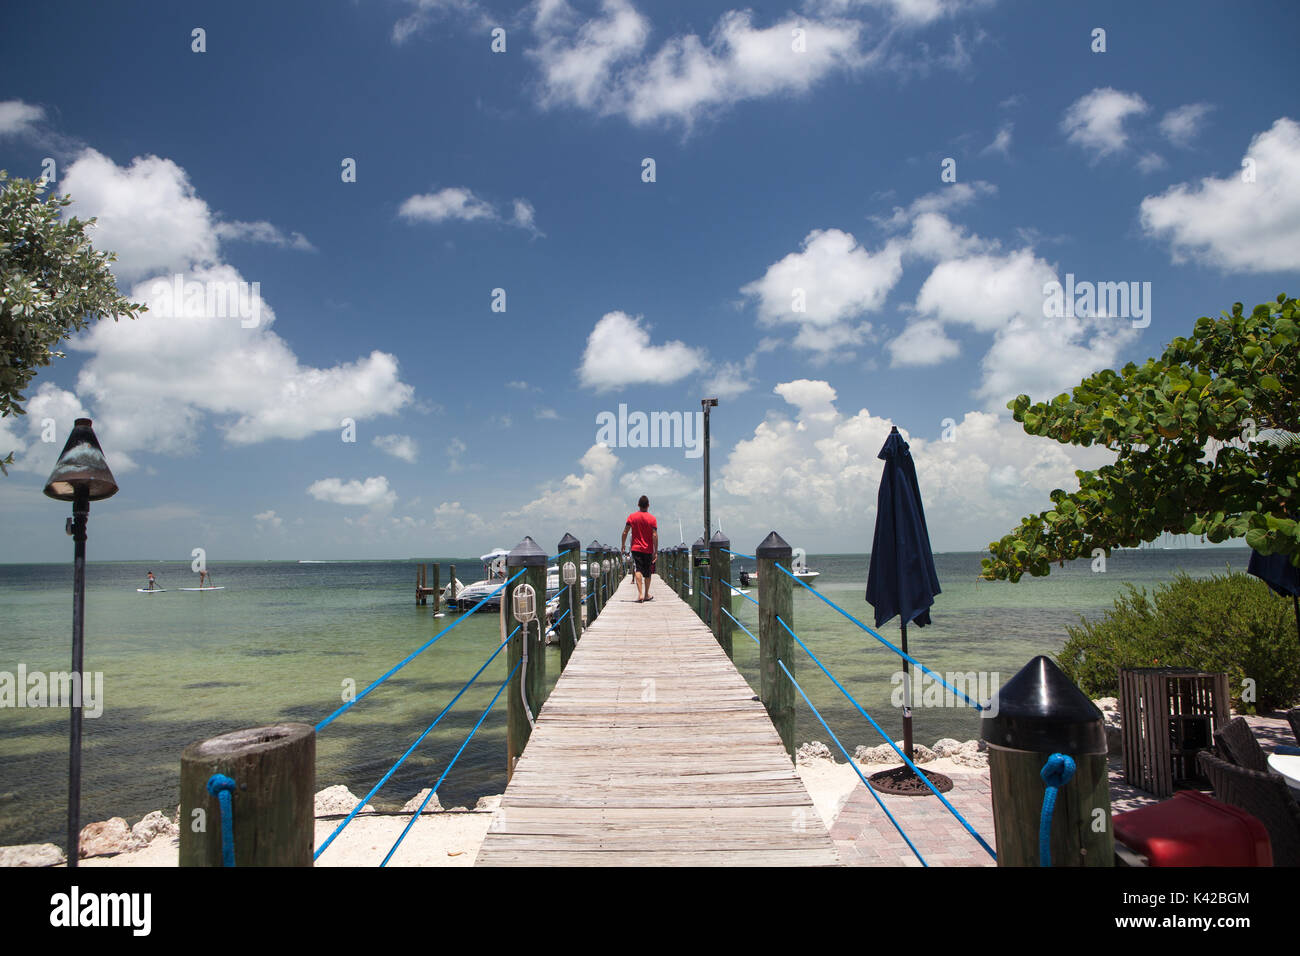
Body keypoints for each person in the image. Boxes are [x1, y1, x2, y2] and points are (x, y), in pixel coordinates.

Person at [621, 495, 658, 603]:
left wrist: (623, 544)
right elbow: (654, 535)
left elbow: (625, 532)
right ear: (648, 505)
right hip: (648, 549)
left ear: (638, 505)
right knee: (647, 572)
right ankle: (646, 594)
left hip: (636, 548)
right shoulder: (652, 519)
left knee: (638, 569)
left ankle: (640, 594)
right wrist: (655, 551)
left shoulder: (632, 517)